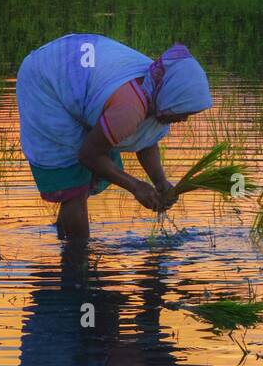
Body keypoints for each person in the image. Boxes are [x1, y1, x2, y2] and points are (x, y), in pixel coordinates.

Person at [16, 34, 212, 237]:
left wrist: (160, 182)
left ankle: (65, 234)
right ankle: (78, 257)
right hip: (45, 79)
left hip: (71, 67)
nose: (184, 119)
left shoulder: (157, 86)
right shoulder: (129, 107)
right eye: (185, 112)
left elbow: (147, 140)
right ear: (173, 97)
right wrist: (136, 187)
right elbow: (89, 155)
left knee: (79, 183)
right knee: (72, 180)